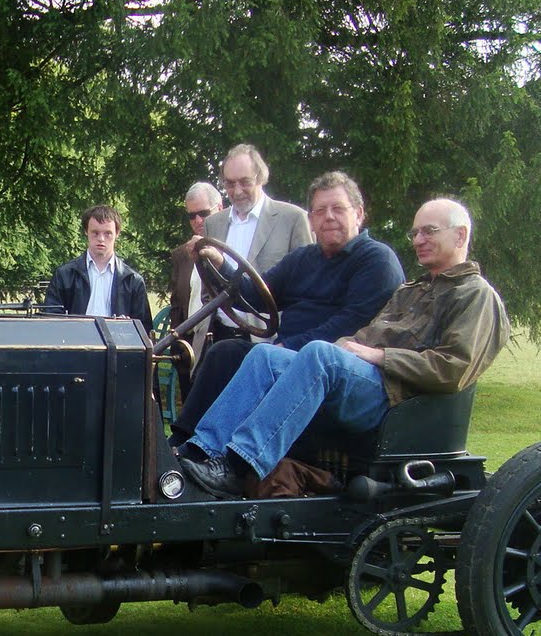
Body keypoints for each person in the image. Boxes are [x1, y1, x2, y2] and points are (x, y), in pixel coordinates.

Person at [179, 197, 510, 498]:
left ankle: (241, 466)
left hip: (396, 396)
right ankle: (201, 451)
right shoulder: (413, 290)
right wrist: (344, 348)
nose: (419, 240)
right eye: (416, 233)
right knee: (266, 355)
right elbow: (365, 335)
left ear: (460, 235)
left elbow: (452, 368)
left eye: (429, 232)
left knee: (319, 355)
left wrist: (378, 356)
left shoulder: (475, 295)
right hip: (366, 379)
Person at [169, 171, 404, 446]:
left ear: (359, 214)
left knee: (265, 357)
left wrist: (288, 346)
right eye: (320, 211)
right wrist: (220, 262)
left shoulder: (376, 260)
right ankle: (181, 442)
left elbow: (351, 324)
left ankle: (210, 450)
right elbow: (255, 295)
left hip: (338, 368)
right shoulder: (304, 259)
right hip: (291, 357)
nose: (328, 217)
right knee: (226, 352)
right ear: (312, 220)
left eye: (338, 209)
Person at [43, 204, 154, 336]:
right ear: (86, 232)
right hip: (74, 348)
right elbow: (49, 320)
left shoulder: (133, 281)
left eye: (108, 233)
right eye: (95, 233)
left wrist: (127, 330)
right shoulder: (64, 275)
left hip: (117, 351)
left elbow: (144, 331)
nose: (101, 239)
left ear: (117, 234)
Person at [204, 143, 312, 272]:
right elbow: (207, 284)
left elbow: (307, 278)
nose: (238, 191)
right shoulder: (212, 224)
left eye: (245, 182)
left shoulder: (293, 219)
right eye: (230, 184)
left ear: (260, 178)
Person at [167, 181, 226, 394]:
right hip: (188, 342)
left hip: (217, 341)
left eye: (203, 213)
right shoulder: (182, 254)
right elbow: (177, 303)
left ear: (220, 209)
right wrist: (176, 341)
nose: (198, 220)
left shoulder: (230, 250)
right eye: (192, 215)